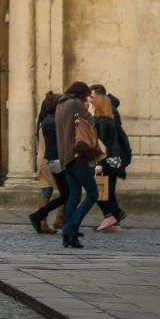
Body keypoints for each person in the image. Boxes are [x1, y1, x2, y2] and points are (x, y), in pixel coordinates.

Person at [53, 81, 101, 248]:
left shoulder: (61, 104)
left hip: (65, 156)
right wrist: (91, 111)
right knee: (93, 193)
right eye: (86, 96)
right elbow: (89, 122)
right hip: (77, 156)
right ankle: (69, 228)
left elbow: (74, 124)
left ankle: (70, 236)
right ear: (81, 94)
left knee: (74, 194)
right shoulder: (75, 104)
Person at [90, 84, 132, 233]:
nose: (90, 101)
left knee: (98, 192)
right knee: (109, 192)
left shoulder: (100, 122)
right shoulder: (109, 119)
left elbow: (101, 145)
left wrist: (98, 164)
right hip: (113, 161)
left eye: (92, 98)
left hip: (104, 163)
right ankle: (114, 221)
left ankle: (112, 216)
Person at [27, 91, 66, 235]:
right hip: (51, 159)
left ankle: (42, 222)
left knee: (47, 191)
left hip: (41, 158)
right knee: (66, 192)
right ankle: (59, 219)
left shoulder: (43, 122)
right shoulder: (54, 122)